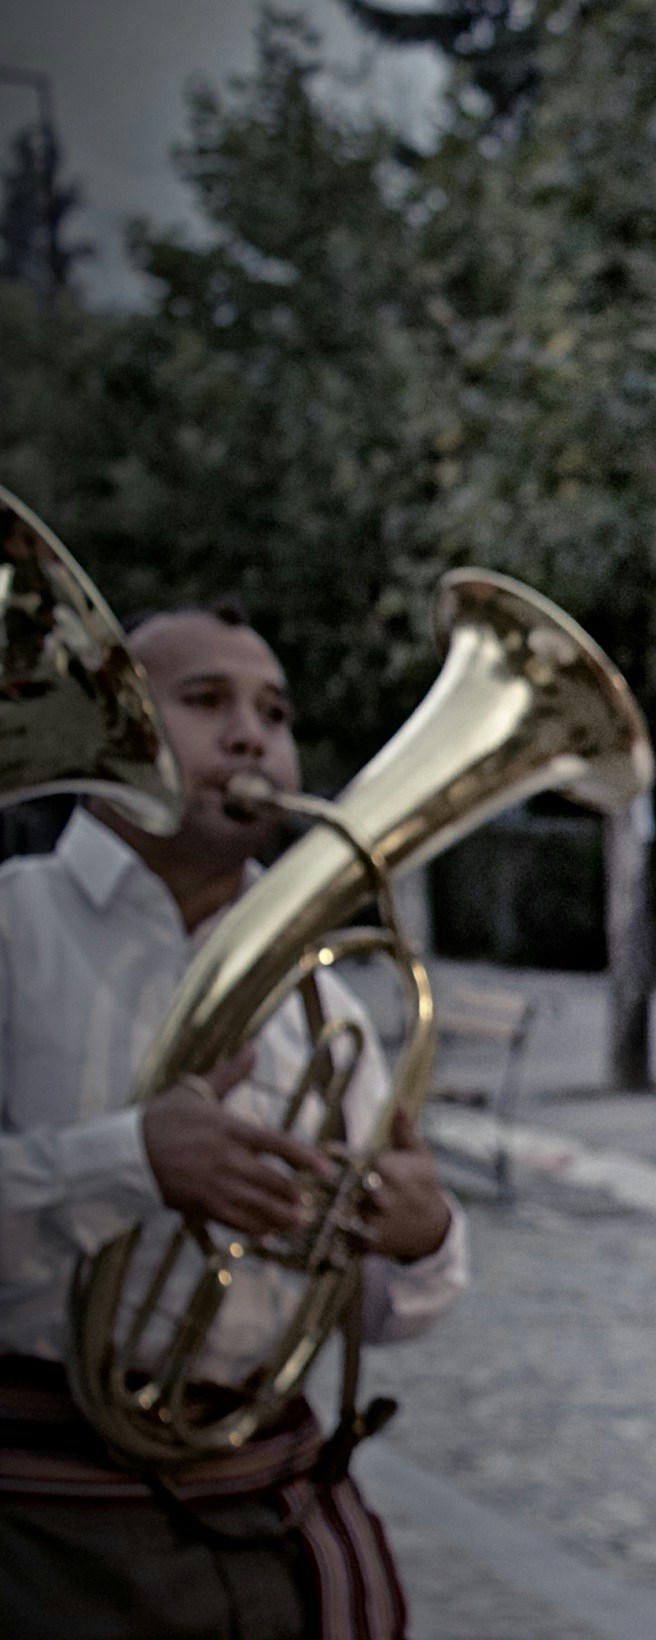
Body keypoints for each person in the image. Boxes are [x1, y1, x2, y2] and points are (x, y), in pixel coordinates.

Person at [0, 601, 467, 1640]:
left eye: (275, 710)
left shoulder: (327, 997)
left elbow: (391, 1312)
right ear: (111, 723)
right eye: (205, 700)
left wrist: (420, 1233)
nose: (253, 733)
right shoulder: (14, 928)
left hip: (267, 1507)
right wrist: (132, 1159)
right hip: (44, 1518)